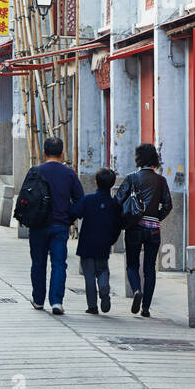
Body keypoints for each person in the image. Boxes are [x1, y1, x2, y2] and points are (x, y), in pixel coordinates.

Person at [27, 136, 83, 315]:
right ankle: (56, 301)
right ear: (62, 153)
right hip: (60, 225)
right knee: (59, 263)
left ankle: (38, 299)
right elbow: (80, 200)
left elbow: (25, 198)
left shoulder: (35, 171)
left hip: (38, 226)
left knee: (38, 262)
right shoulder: (69, 174)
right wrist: (69, 216)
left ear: (44, 153)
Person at [115, 143, 172, 318]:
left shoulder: (131, 178)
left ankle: (137, 290)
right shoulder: (161, 181)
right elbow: (168, 205)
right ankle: (146, 308)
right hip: (154, 229)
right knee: (149, 269)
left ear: (138, 159)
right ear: (154, 158)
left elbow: (118, 200)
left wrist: (127, 217)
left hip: (134, 227)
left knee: (132, 264)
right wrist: (156, 218)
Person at [69, 168, 123, 315]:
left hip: (87, 243)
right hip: (104, 243)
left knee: (89, 275)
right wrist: (111, 240)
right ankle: (104, 287)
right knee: (103, 269)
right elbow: (118, 225)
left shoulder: (88, 200)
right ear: (112, 184)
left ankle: (92, 306)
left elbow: (75, 213)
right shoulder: (114, 205)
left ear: (96, 182)